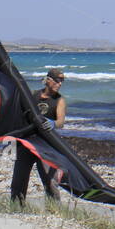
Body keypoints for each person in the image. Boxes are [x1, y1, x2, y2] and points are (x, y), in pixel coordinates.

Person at [9, 68, 68, 203]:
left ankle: (54, 210)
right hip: (27, 144)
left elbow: (61, 122)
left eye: (62, 81)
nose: (60, 84)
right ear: (48, 80)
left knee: (50, 181)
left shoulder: (59, 100)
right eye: (58, 80)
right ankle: (16, 208)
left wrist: (53, 123)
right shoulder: (33, 95)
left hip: (45, 145)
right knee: (19, 179)